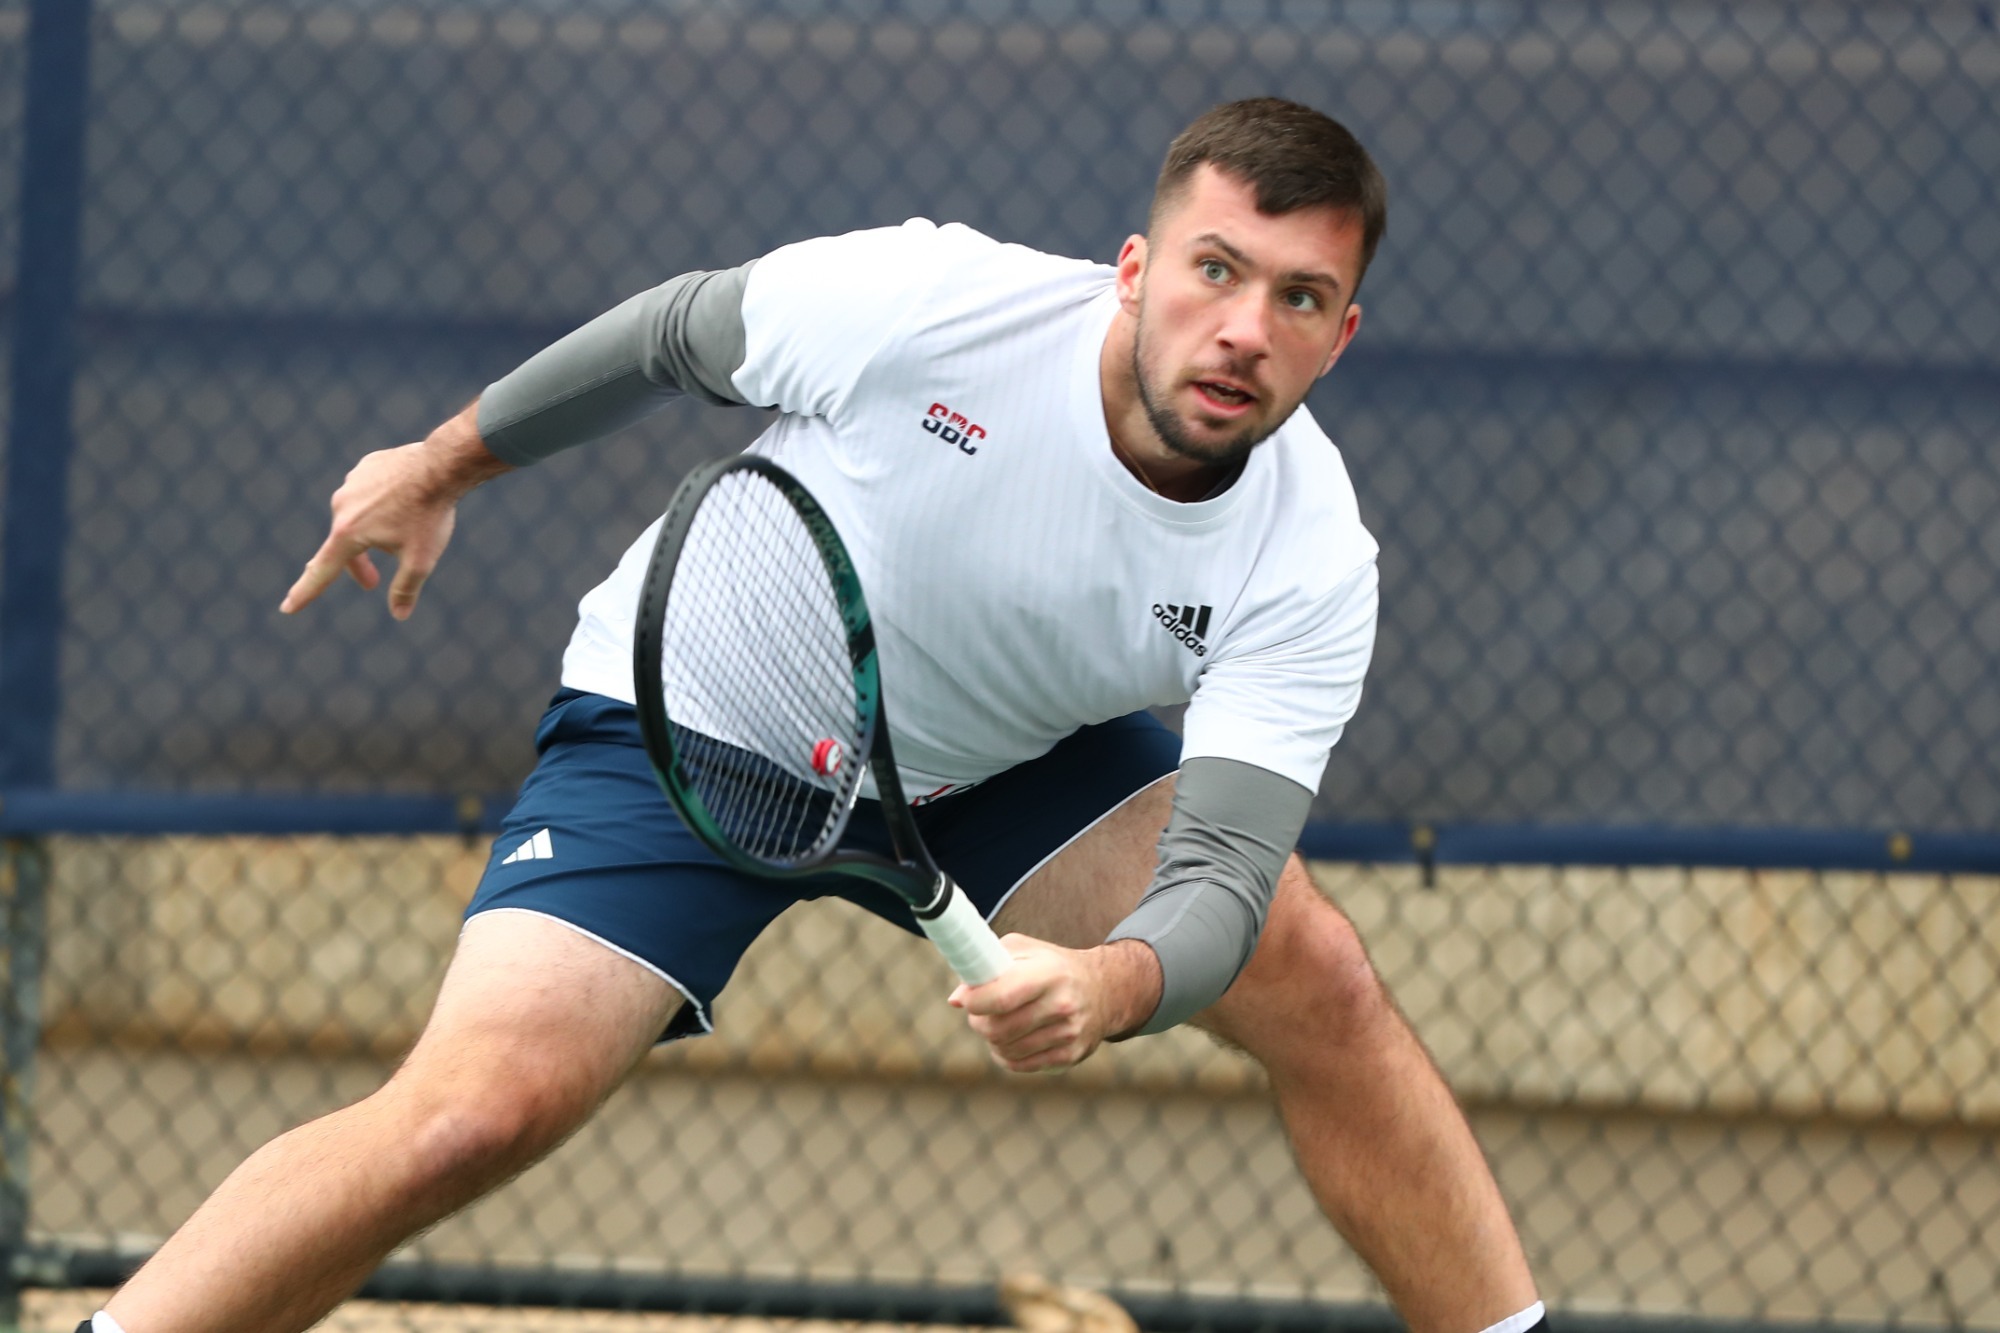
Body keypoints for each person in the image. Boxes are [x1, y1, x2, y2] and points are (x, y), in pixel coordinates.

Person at [89, 98, 1543, 1333]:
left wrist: (1107, 987)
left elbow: (1218, 880)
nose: (1240, 329)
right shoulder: (934, 305)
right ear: (1132, 269)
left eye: (1294, 297)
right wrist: (440, 463)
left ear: (1340, 335)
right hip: (704, 713)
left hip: (1002, 750)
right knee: (474, 1116)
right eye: (1213, 271)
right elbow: (670, 333)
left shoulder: (1309, 553)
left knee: (1318, 978)